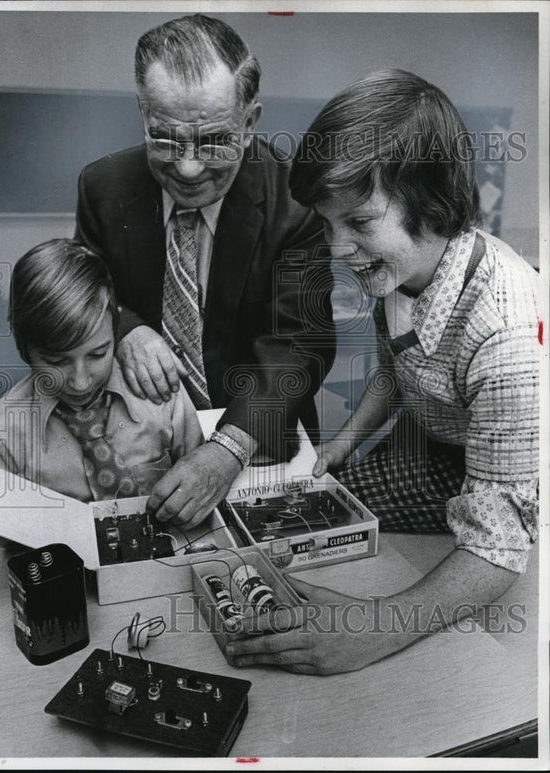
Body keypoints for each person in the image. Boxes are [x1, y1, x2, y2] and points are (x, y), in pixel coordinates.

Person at [226, 69, 540, 674]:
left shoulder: (508, 335)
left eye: (361, 223)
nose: (338, 247)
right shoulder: (399, 267)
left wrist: (371, 628)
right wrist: (346, 441)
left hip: (506, 474)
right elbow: (401, 366)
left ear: (434, 204)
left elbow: (498, 546)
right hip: (432, 441)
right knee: (319, 528)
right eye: (327, 223)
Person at [75, 14, 334, 530]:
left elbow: (299, 344)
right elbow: (84, 292)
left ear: (251, 122)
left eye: (214, 140)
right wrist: (125, 325)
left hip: (256, 441)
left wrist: (226, 451)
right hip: (139, 440)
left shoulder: (297, 203)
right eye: (166, 139)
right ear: (142, 112)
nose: (189, 168)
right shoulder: (102, 187)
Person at [0, 239, 203, 510]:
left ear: (116, 332)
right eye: (57, 360)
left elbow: (204, 489)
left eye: (97, 354)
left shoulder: (161, 391)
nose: (80, 383)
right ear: (24, 348)